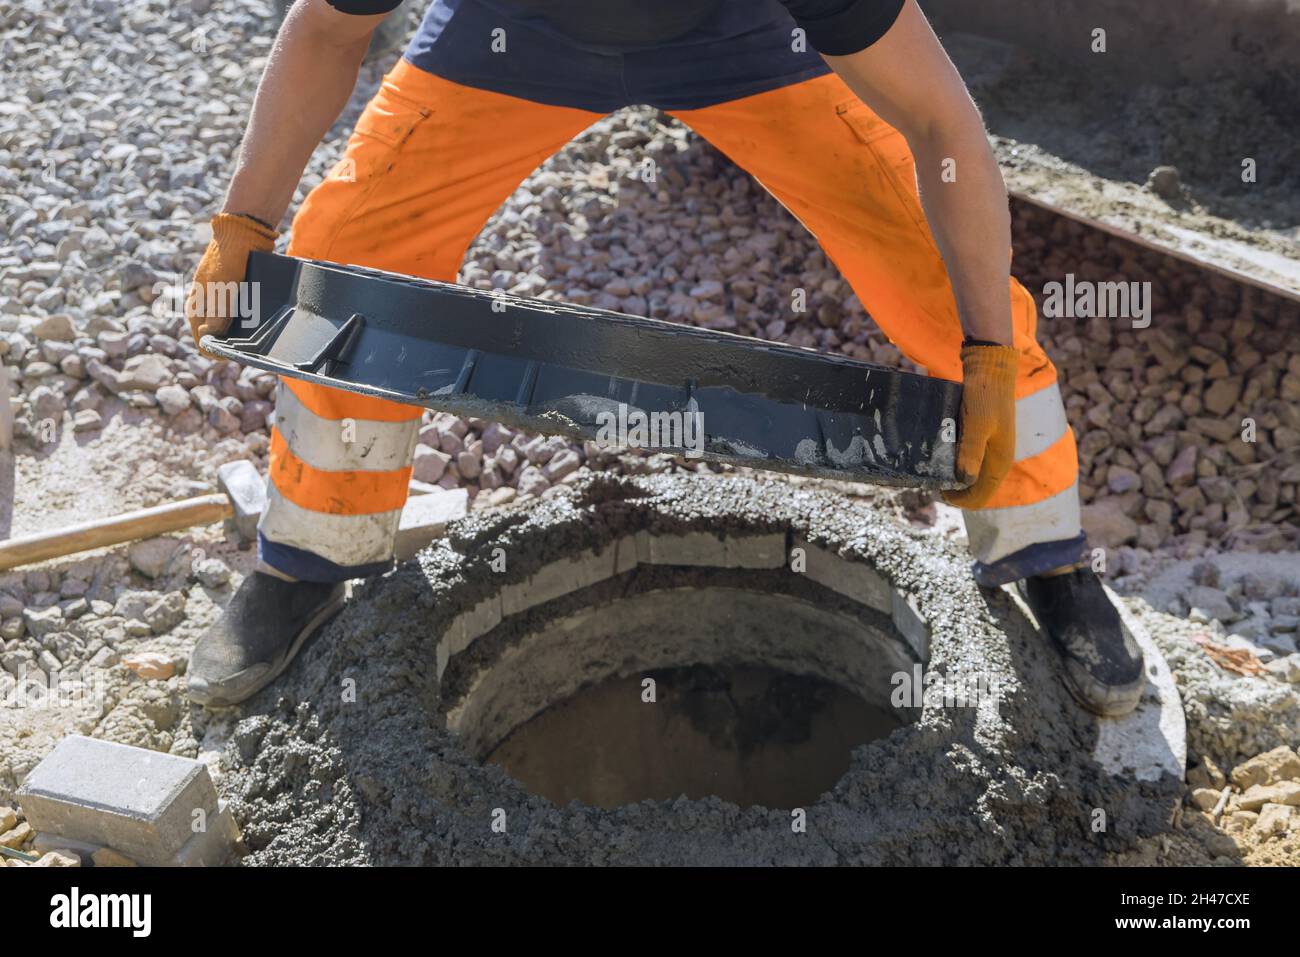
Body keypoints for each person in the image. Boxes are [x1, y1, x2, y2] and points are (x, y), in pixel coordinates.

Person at [184, 0, 1144, 715]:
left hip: (745, 36)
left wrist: (980, 348)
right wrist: (246, 222)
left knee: (946, 282)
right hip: (514, 26)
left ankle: (1043, 554)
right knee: (348, 256)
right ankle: (311, 557)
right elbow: (326, 28)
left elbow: (940, 123)